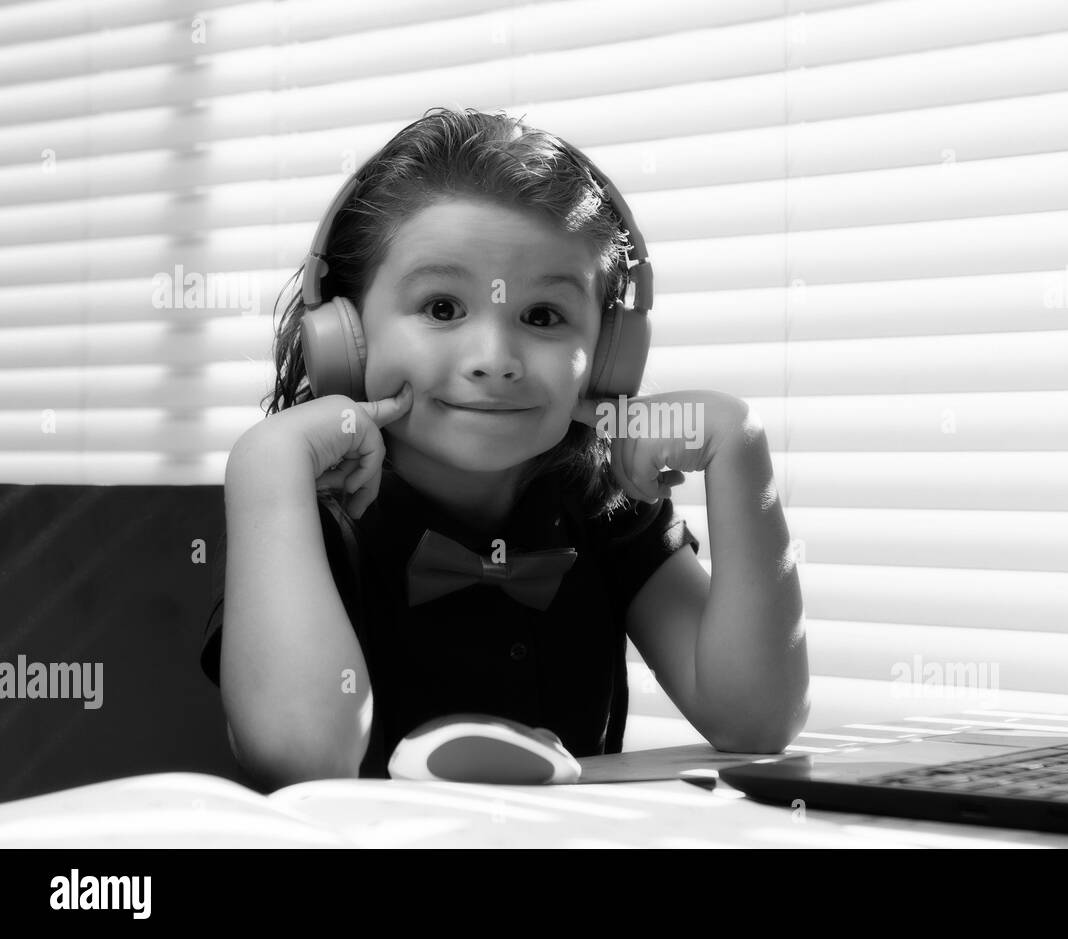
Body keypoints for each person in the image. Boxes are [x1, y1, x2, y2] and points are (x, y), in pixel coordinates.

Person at [199, 106, 809, 791]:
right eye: (441, 308)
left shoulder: (607, 506)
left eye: (542, 316)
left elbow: (756, 722)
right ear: (343, 334)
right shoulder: (304, 517)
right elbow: (304, 757)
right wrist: (265, 464)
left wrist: (740, 447)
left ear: (609, 355)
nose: (495, 359)